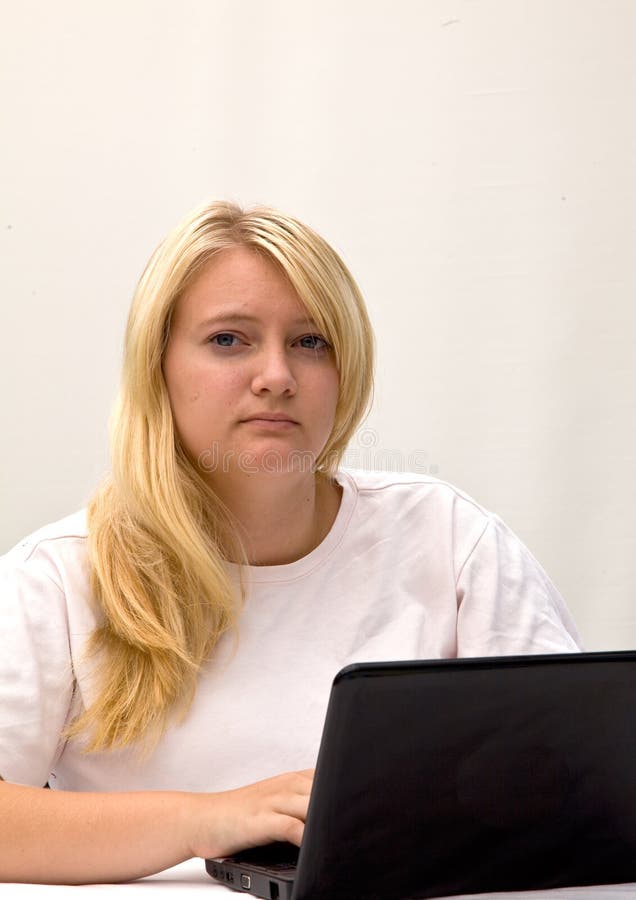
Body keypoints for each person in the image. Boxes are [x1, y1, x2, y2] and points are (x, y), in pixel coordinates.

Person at [0, 200, 581, 885]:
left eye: (311, 342)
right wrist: (210, 820)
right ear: (158, 368)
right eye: (229, 339)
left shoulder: (451, 541)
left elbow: (574, 785)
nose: (277, 375)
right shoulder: (60, 576)